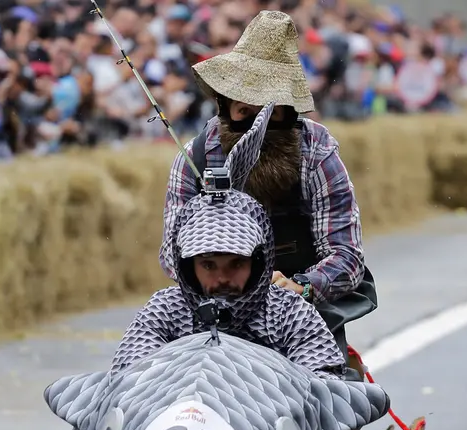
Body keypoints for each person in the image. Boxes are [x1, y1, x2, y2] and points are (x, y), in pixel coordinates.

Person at [158, 10, 376, 378]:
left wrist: (299, 287)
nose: (258, 128)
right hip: (214, 311)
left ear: (289, 111)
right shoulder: (194, 158)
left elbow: (346, 256)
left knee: (335, 396)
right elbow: (170, 255)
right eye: (246, 111)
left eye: (270, 114)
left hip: (302, 314)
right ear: (225, 105)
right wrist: (220, 276)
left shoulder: (317, 152)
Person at [112, 102, 346, 381]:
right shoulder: (166, 311)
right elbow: (126, 382)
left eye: (235, 263)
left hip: (305, 297)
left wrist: (301, 287)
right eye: (209, 265)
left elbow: (325, 389)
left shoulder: (289, 314)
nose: (222, 277)